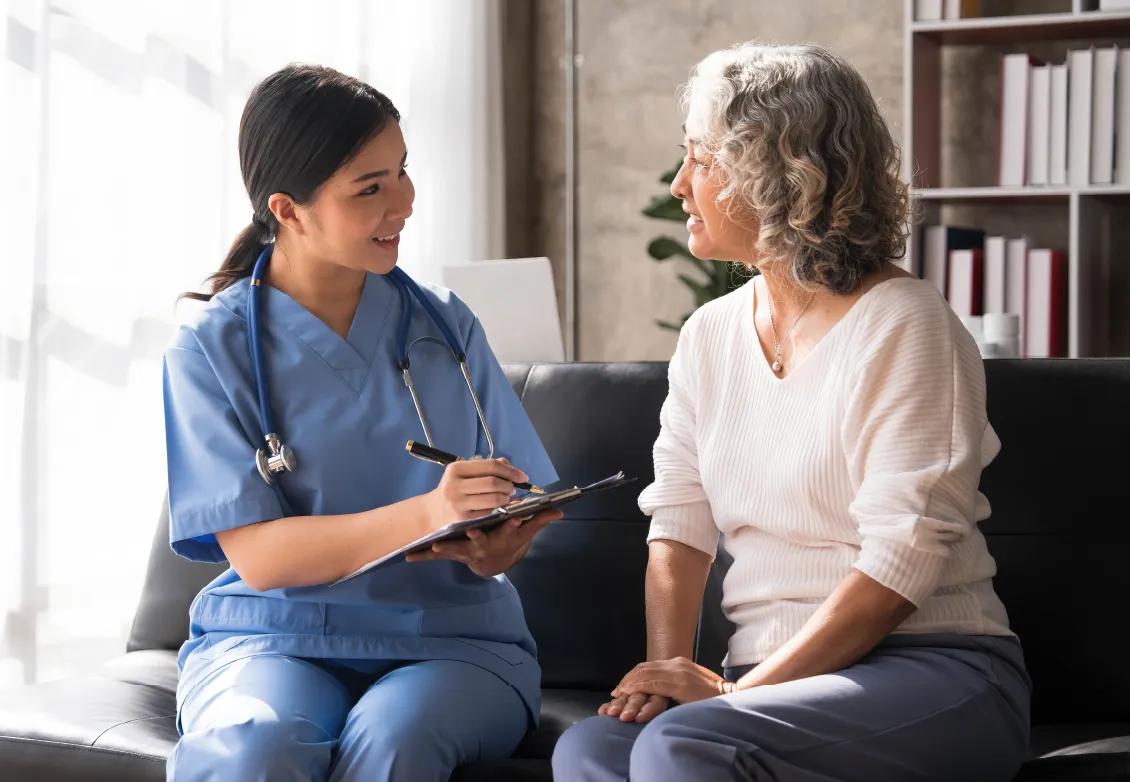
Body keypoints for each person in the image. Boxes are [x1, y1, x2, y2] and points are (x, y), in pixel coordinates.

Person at [552, 43, 1031, 782]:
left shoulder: (906, 323)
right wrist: (666, 672)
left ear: (779, 175)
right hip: (763, 686)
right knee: (591, 748)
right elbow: (679, 524)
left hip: (937, 671)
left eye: (701, 161)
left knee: (688, 747)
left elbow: (900, 559)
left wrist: (742, 693)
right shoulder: (710, 335)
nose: (680, 185)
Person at [163, 64, 561, 781]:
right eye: (370, 188)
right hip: (270, 640)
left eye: (403, 172)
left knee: (396, 738)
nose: (403, 203)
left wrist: (496, 546)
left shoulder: (444, 325)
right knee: (254, 744)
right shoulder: (211, 347)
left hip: (452, 640)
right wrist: (430, 510)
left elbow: (516, 501)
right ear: (288, 210)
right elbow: (261, 559)